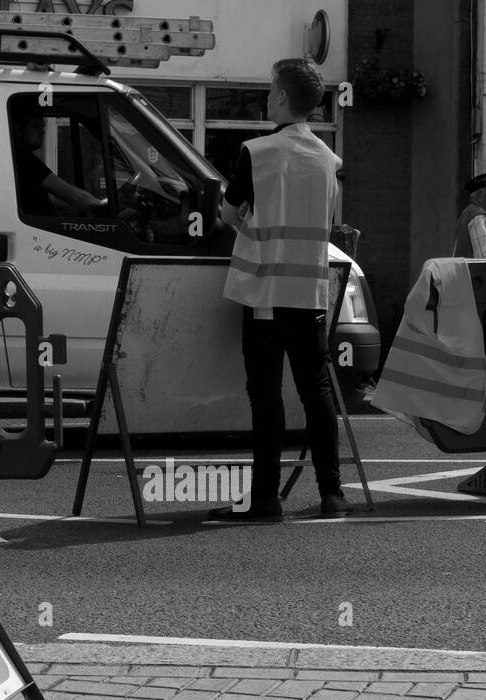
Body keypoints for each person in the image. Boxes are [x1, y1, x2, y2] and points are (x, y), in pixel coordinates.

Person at [211, 57, 347, 523]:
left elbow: (229, 215)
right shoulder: (330, 160)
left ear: (285, 97)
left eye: (271, 90)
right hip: (310, 295)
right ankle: (333, 493)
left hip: (265, 294)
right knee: (317, 391)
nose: (267, 97)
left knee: (266, 395)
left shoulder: (257, 151)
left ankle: (265, 498)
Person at [453, 172, 486, 387]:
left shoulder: (476, 214)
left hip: (470, 284)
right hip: (478, 285)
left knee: (483, 334)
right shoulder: (477, 216)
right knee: (484, 333)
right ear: (478, 195)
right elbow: (483, 255)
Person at [12, 106, 106, 216]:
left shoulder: (22, 158)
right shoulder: (24, 161)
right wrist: (103, 206)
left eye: (43, 127)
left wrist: (88, 207)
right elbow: (75, 197)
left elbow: (53, 201)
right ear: (18, 129)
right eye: (36, 127)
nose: (43, 132)